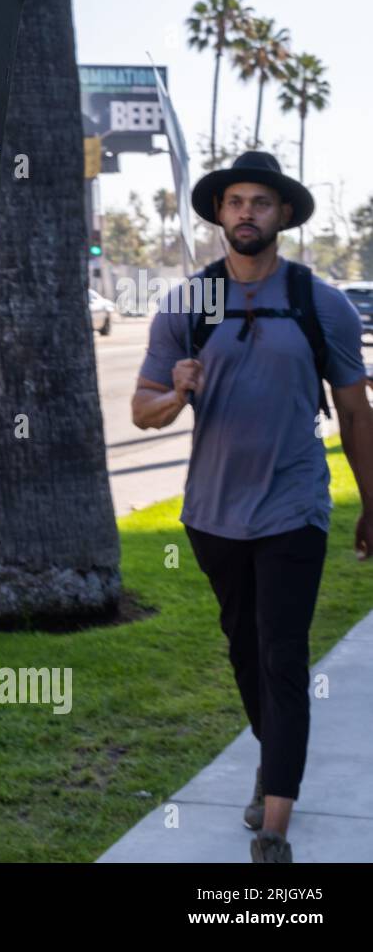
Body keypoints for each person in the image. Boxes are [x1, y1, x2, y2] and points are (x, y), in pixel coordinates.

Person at [131, 151, 373, 863]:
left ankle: (275, 823)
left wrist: (371, 502)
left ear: (284, 216)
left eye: (260, 203)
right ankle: (275, 764)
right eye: (234, 201)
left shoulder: (316, 300)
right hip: (212, 514)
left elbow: (357, 414)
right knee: (244, 648)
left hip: (295, 505)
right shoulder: (189, 303)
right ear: (219, 214)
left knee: (282, 653)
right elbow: (143, 409)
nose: (245, 212)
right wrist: (176, 393)